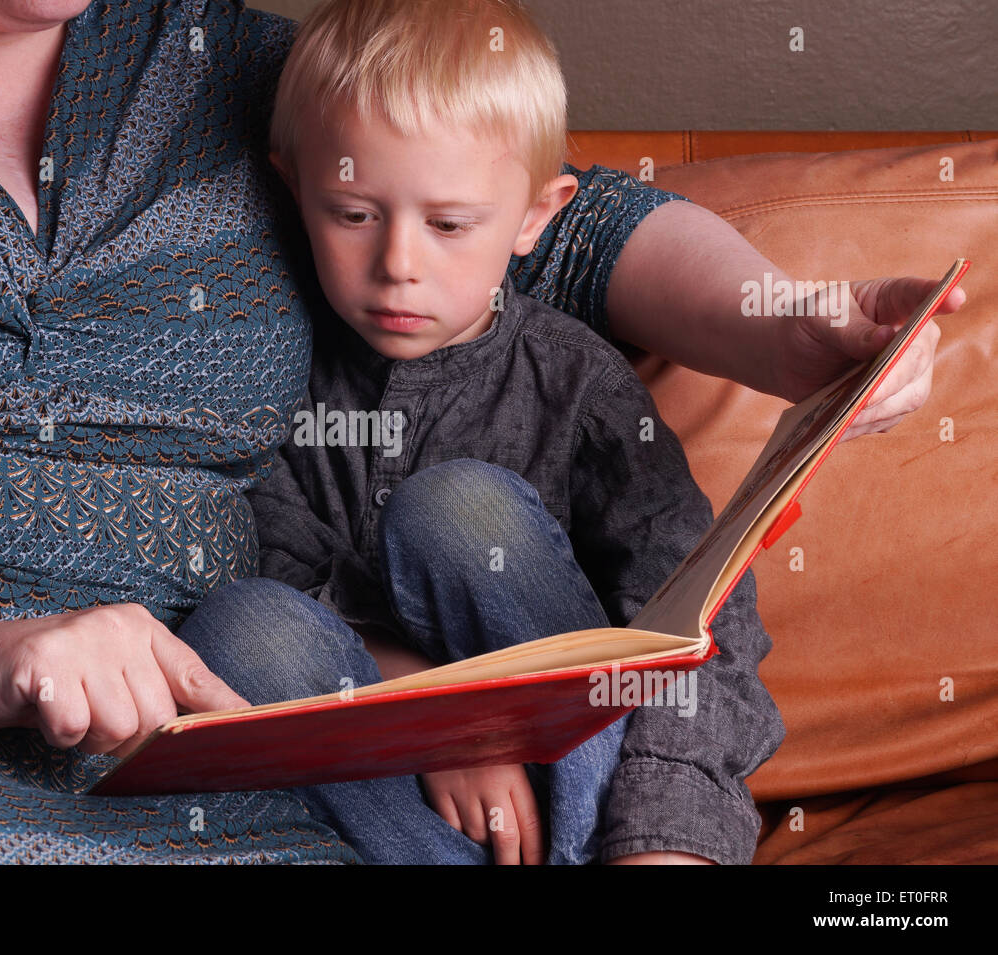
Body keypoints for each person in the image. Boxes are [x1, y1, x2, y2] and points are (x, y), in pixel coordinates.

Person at [0, 0, 962, 864]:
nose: (400, 256)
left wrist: (786, 324)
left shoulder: (222, 60)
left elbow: (558, 218)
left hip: (228, 736)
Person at [176, 0, 782, 865]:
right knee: (239, 627)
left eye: (449, 225)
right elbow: (280, 574)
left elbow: (697, 603)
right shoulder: (268, 372)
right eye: (352, 213)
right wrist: (436, 718)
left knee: (457, 509)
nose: (399, 264)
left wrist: (667, 838)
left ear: (535, 217)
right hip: (400, 778)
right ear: (293, 188)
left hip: (581, 775)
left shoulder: (573, 380)